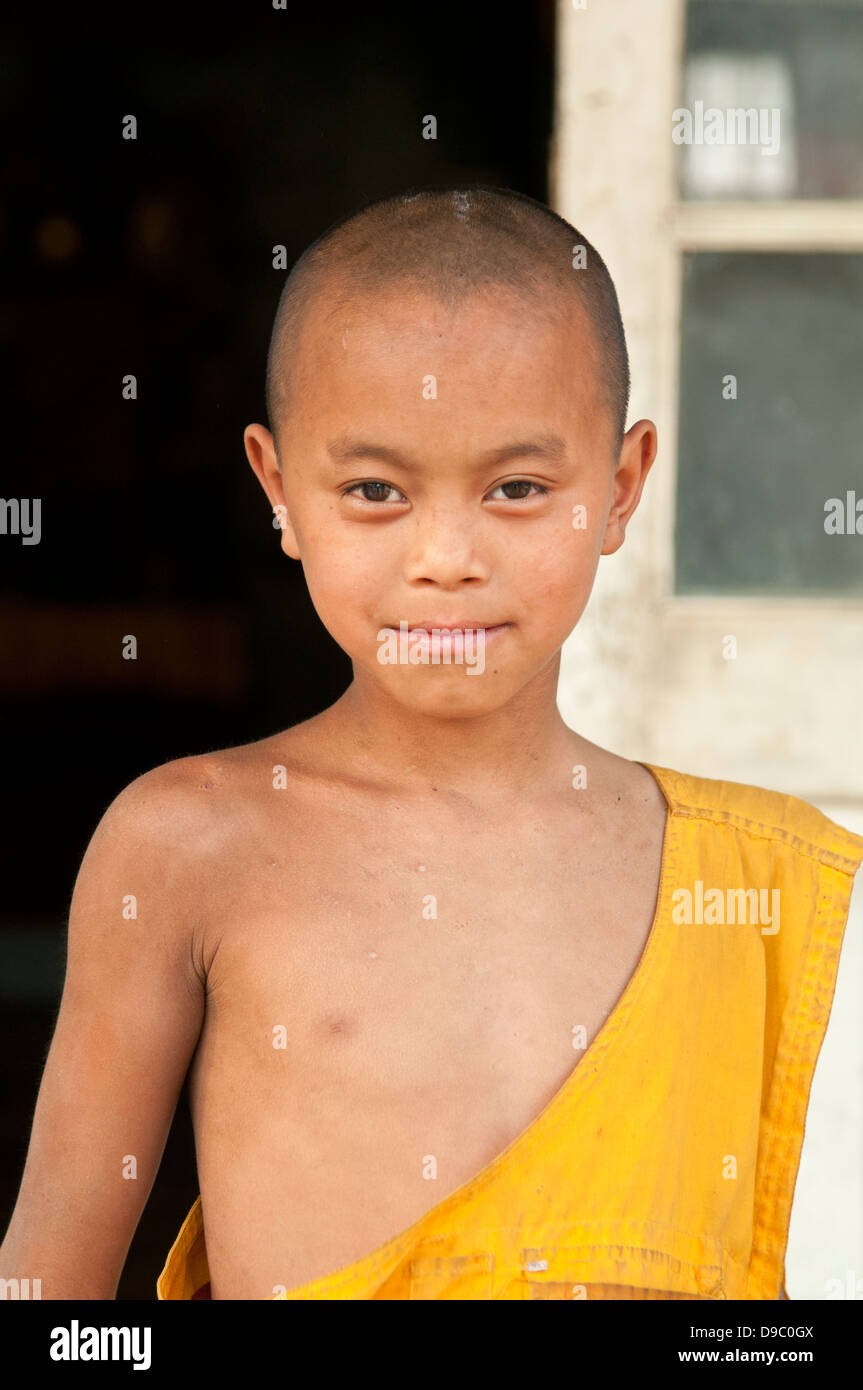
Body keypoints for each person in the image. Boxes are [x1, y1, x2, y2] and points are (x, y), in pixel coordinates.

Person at [2, 186, 861, 1300]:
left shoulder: (761, 883)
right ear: (277, 488)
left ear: (618, 487)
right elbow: (46, 1290)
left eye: (515, 487)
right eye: (373, 490)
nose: (445, 556)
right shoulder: (187, 846)